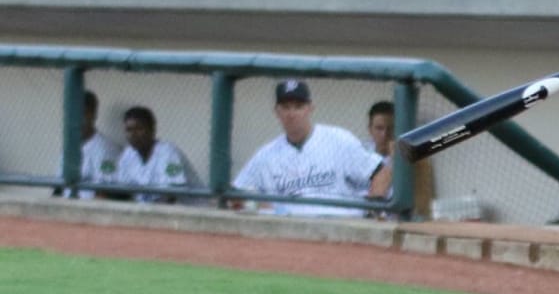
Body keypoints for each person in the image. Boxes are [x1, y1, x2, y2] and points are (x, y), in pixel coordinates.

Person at [231, 80, 390, 218]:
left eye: (298, 106)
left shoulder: (339, 140)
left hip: (341, 223)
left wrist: (374, 208)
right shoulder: (266, 155)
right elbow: (236, 193)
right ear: (276, 112)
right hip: (291, 229)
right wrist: (260, 204)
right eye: (286, 107)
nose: (292, 114)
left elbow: (382, 172)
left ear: (310, 108)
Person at [114, 106, 201, 204]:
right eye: (129, 130)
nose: (133, 135)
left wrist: (145, 212)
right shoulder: (128, 155)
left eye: (139, 129)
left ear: (152, 130)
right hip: (152, 210)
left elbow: (170, 197)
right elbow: (121, 192)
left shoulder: (168, 152)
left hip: (192, 209)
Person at [365, 100, 435, 220]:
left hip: (397, 220)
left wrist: (395, 160)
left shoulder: (414, 159)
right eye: (379, 128)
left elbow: (422, 206)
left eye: (391, 128)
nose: (384, 134)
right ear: (370, 129)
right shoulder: (361, 153)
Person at [55, 90, 124, 201]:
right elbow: (58, 188)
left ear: (92, 114)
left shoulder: (106, 149)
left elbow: (105, 194)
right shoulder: (69, 148)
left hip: (89, 208)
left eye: (82, 113)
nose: (75, 119)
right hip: (67, 206)